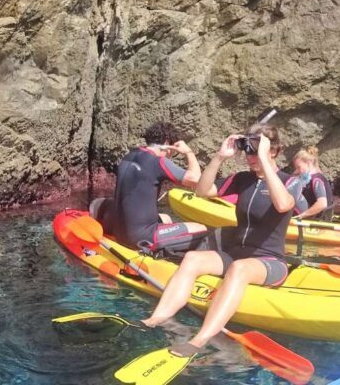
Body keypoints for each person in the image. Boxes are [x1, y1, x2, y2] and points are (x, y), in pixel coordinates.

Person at [141, 123, 302, 356]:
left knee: (239, 268)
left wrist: (265, 160)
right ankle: (156, 319)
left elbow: (283, 204)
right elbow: (202, 191)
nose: (250, 157)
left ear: (274, 150)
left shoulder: (290, 182)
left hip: (270, 261)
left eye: (255, 150)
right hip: (236, 255)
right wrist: (219, 157)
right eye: (247, 150)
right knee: (193, 258)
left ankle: (199, 340)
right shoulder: (242, 179)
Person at [109, 122, 205, 255]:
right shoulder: (158, 162)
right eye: (173, 152)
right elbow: (196, 179)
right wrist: (188, 152)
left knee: (166, 218)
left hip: (119, 232)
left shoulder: (129, 155)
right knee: (201, 228)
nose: (171, 156)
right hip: (139, 237)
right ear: (167, 143)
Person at [292, 146, 334, 221]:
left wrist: (302, 215)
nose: (296, 171)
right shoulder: (312, 176)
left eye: (299, 167)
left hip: (320, 218)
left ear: (308, 163)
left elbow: (322, 204)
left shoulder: (317, 179)